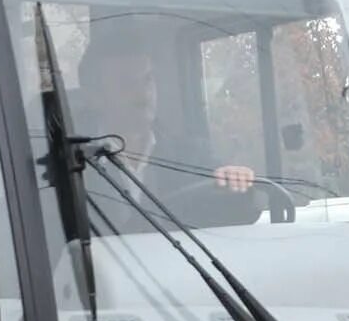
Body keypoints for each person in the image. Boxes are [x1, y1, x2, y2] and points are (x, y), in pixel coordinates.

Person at [80, 24, 261, 227]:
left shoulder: (192, 156)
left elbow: (234, 216)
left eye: (148, 80)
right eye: (127, 83)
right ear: (93, 97)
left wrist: (239, 187)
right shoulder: (70, 166)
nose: (143, 94)